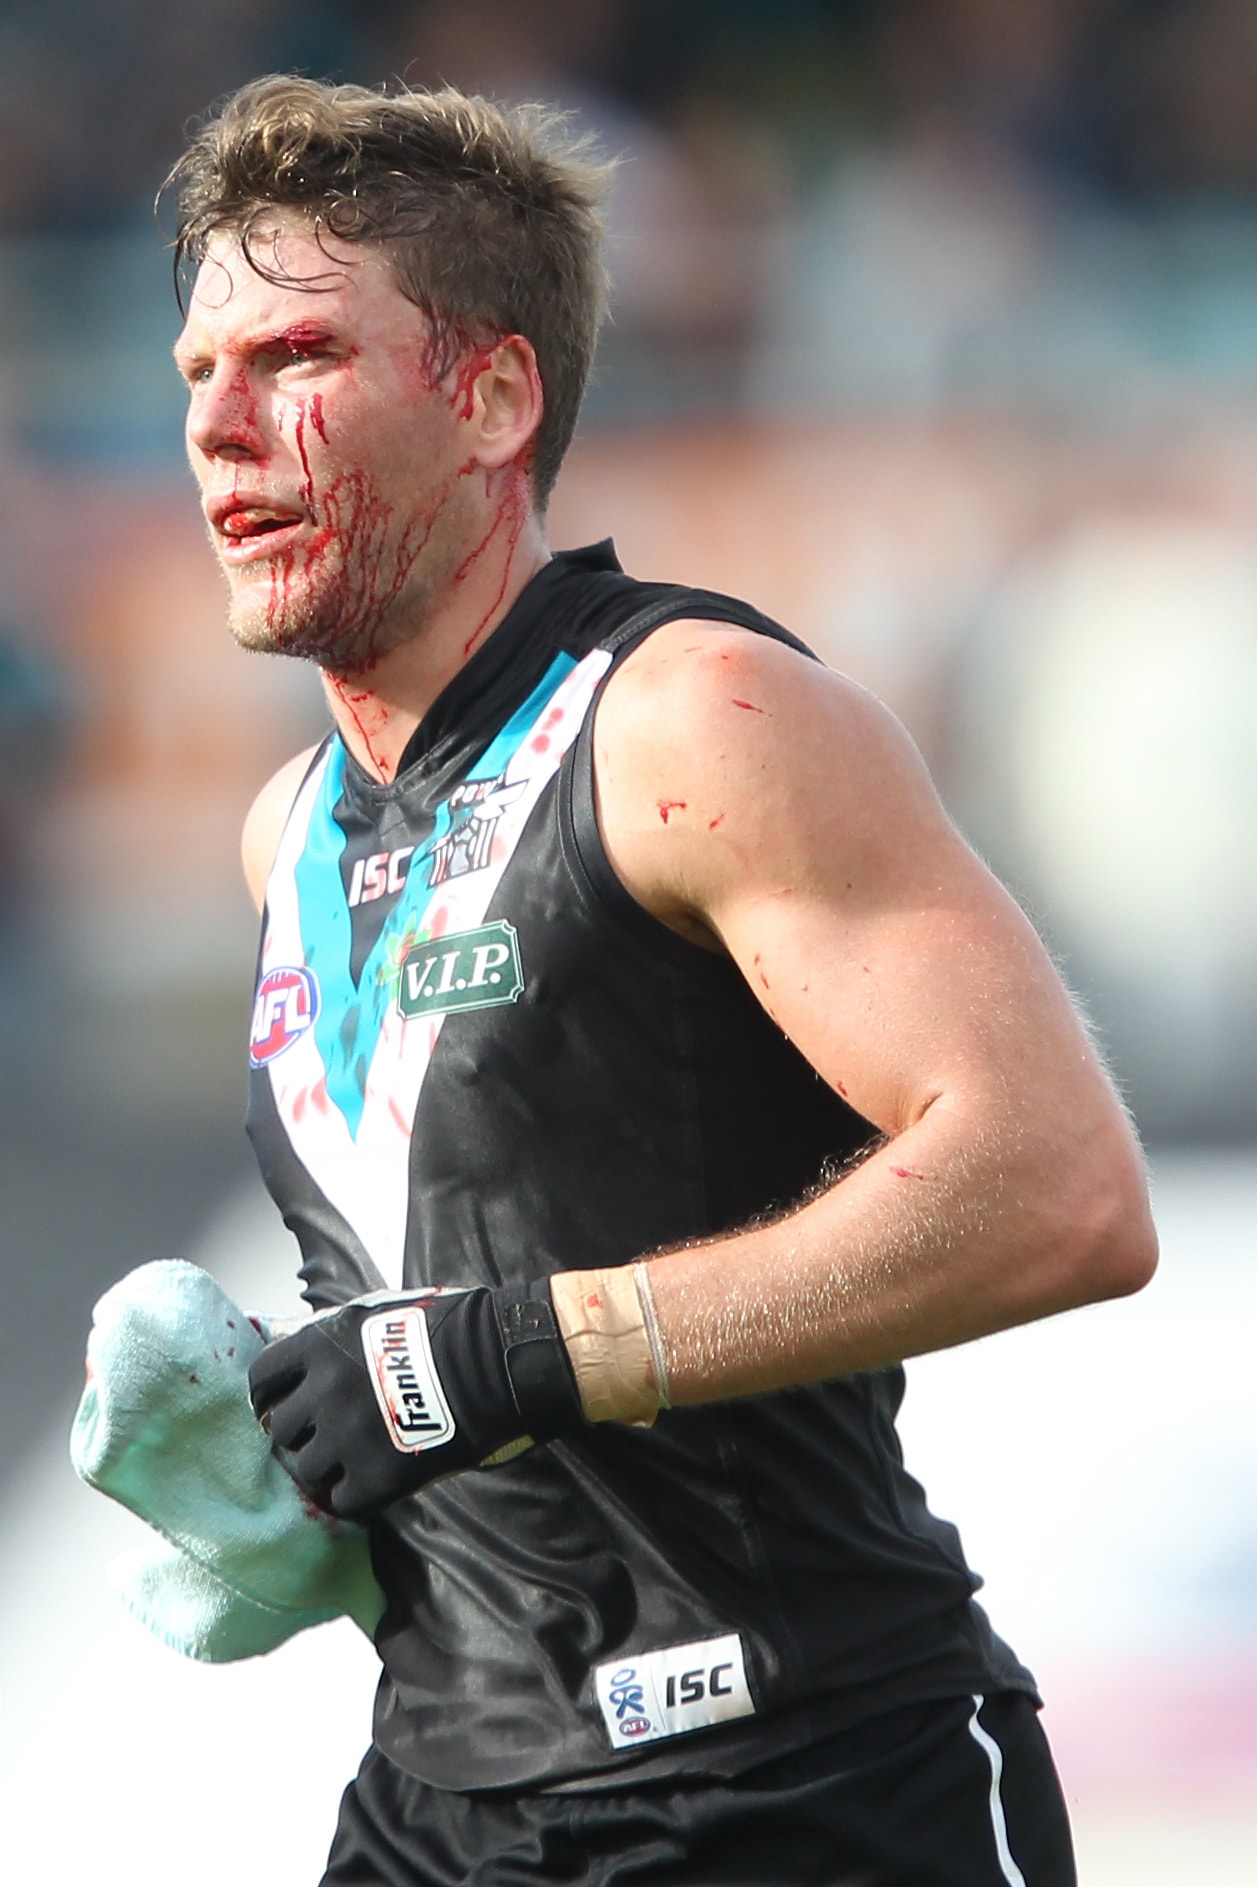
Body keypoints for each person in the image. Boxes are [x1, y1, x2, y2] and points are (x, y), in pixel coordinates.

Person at [167, 74, 1157, 1886]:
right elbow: (445, 1336)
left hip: (798, 1786)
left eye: (295, 355)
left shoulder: (693, 713)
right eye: (195, 375)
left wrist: (518, 1353)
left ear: (490, 397)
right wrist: (295, 1461)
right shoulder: (285, 831)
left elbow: (1061, 1191)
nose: (223, 428)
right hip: (437, 1798)